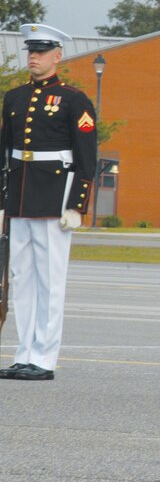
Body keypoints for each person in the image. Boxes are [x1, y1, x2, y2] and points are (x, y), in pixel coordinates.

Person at [0, 24, 97, 381]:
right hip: (21, 195)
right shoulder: (14, 98)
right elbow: (4, 153)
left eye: (41, 52)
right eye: (30, 52)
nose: (34, 58)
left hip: (55, 195)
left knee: (50, 279)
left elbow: (87, 157)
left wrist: (77, 205)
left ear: (58, 56)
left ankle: (44, 357)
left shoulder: (74, 99)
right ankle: (24, 352)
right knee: (21, 276)